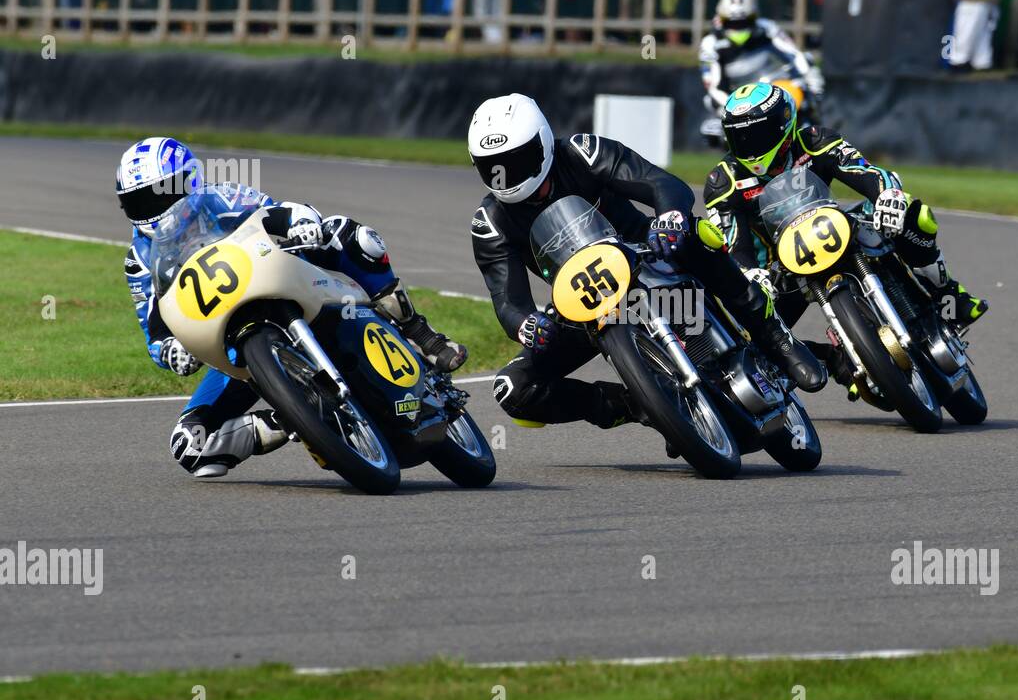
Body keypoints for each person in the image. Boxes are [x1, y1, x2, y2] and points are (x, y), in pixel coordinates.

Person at [467, 94, 826, 430]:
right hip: (584, 300)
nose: (506, 175)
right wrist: (527, 325)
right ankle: (636, 404)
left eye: (516, 161)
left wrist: (669, 217)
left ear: (542, 142)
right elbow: (508, 301)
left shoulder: (581, 153)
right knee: (513, 388)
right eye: (493, 167)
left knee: (698, 233)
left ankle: (775, 337)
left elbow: (659, 181)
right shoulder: (490, 222)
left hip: (646, 250)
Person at [118, 137, 466, 479]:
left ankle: (419, 332)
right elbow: (154, 331)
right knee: (189, 445)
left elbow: (278, 211)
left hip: (283, 279)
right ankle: (289, 418)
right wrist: (171, 350)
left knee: (349, 234)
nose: (151, 208)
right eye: (137, 202)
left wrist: (302, 222)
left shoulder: (222, 196)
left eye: (157, 193)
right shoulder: (138, 260)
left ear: (188, 180)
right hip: (235, 347)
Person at [703, 83, 987, 399]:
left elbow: (863, 170)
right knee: (752, 344)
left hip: (835, 223)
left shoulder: (814, 141)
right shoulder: (724, 180)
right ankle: (838, 360)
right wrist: (750, 274)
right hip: (777, 269)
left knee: (914, 215)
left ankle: (949, 293)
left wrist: (886, 195)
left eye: (756, 134)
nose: (748, 144)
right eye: (739, 136)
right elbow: (732, 241)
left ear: (783, 125)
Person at [698, 0, 824, 114]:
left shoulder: (767, 28)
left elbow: (795, 54)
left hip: (776, 91)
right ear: (721, 20)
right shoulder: (710, 44)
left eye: (744, 22)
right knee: (712, 109)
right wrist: (737, 110)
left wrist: (809, 80)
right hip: (739, 101)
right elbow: (713, 87)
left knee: (808, 90)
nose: (739, 28)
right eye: (732, 23)